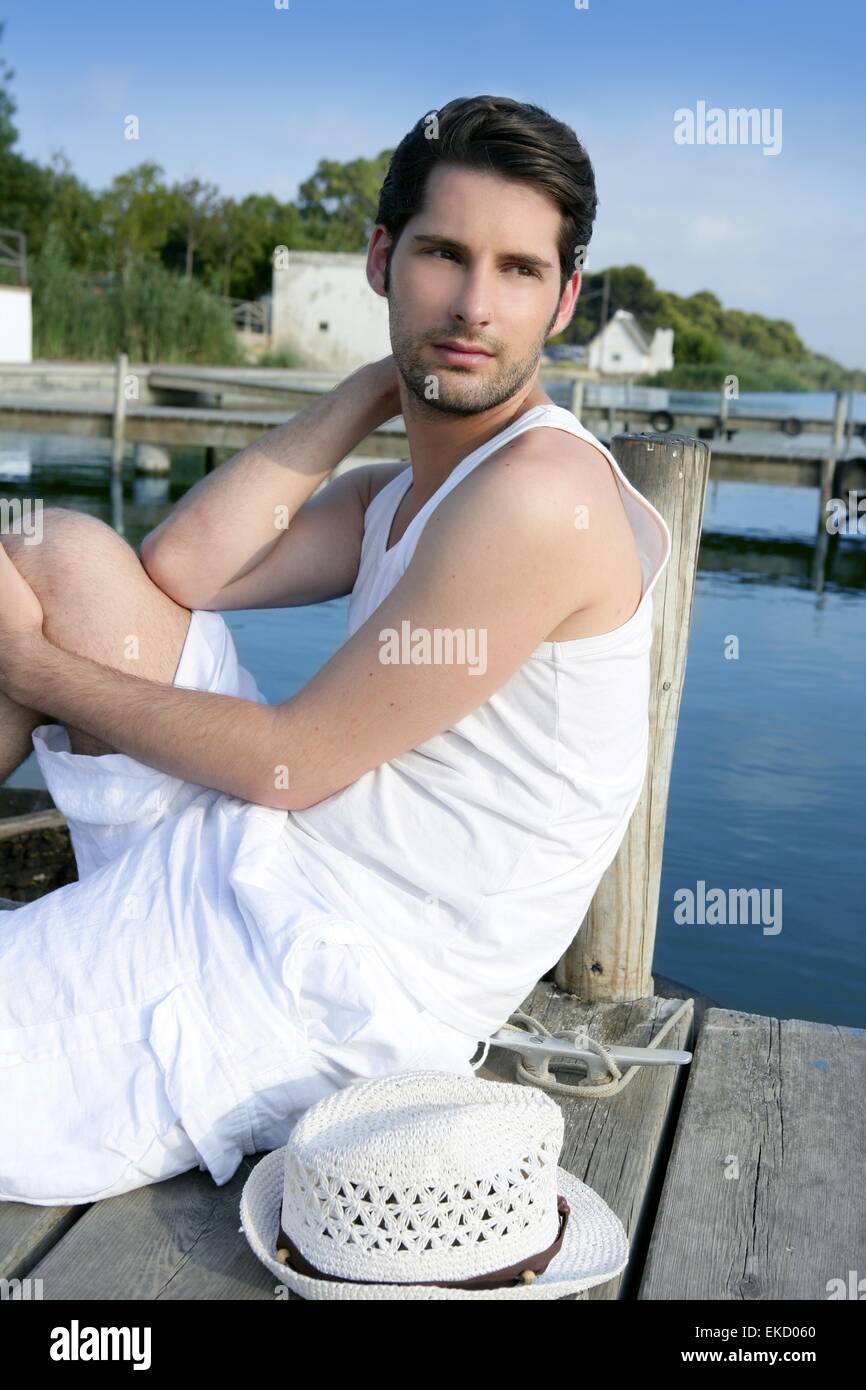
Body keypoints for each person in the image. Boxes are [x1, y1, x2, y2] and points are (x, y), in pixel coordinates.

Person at [0, 94, 670, 1206]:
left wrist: (28, 668)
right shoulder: (410, 487)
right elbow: (183, 567)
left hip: (331, 985)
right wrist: (375, 388)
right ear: (380, 260)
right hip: (271, 865)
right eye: (442, 256)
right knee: (50, 554)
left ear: (563, 300)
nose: (472, 305)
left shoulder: (539, 497)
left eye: (517, 271)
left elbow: (292, 761)